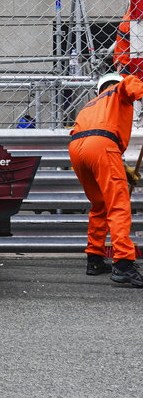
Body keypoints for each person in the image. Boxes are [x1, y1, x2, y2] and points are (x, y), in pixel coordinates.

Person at [68, 73, 143, 287]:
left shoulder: (90, 104)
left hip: (77, 149)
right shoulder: (117, 92)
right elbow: (130, 83)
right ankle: (123, 264)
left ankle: (94, 259)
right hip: (102, 146)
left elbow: (94, 135)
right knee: (118, 205)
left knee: (99, 204)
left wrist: (122, 167)